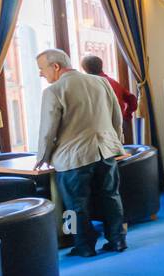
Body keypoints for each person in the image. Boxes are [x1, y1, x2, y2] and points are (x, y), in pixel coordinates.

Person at [34, 48, 128, 257]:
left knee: (73, 206)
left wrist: (43, 157)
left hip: (72, 157)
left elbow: (48, 130)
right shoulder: (100, 82)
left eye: (42, 69)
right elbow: (116, 115)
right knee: (111, 196)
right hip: (106, 151)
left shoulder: (53, 91)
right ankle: (118, 240)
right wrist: (114, 141)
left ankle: (83, 246)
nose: (41, 74)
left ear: (55, 67)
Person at [82, 54, 137, 144]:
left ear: (86, 69)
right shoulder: (113, 82)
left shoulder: (87, 85)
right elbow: (132, 100)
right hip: (119, 124)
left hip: (100, 129)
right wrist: (126, 115)